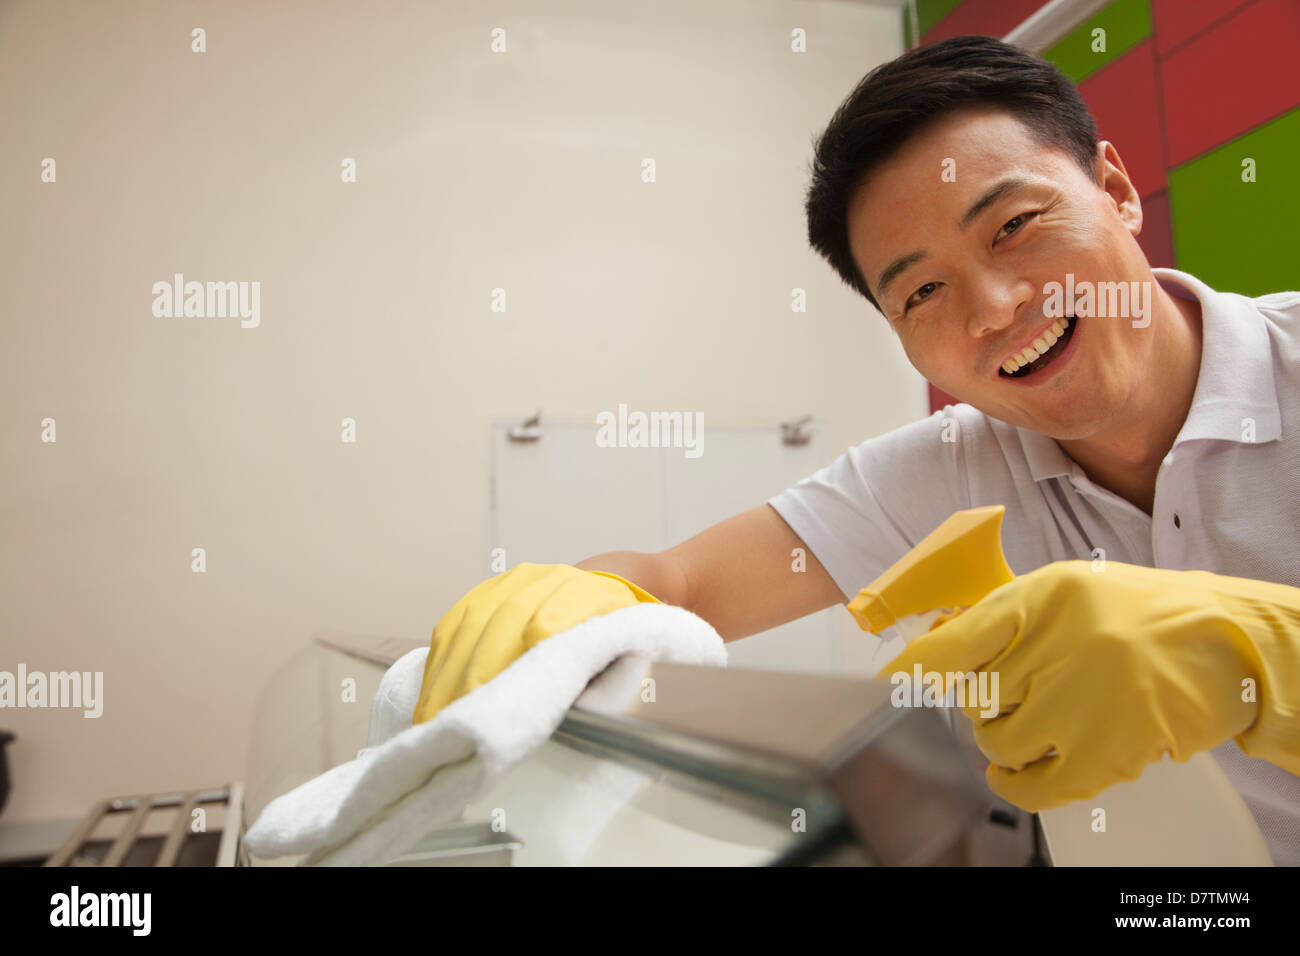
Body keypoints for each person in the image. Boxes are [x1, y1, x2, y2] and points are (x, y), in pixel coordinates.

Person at [413, 36, 1300, 865]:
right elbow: (680, 584)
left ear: (1115, 190)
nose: (991, 306)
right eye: (921, 292)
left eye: (1014, 224)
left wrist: (1265, 652)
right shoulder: (947, 469)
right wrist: (579, 598)